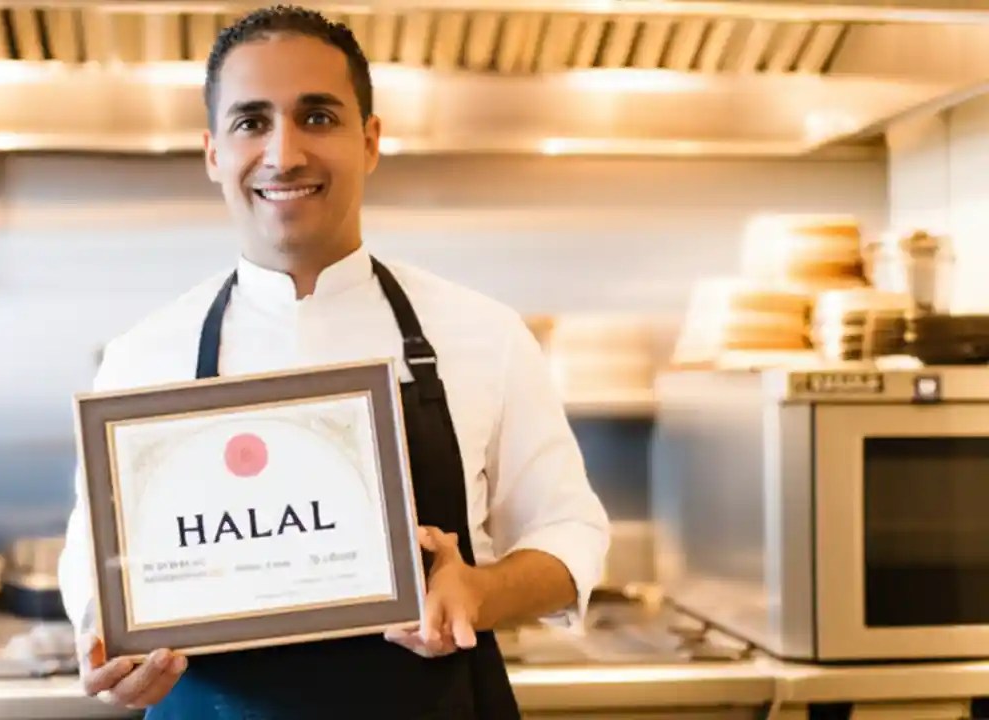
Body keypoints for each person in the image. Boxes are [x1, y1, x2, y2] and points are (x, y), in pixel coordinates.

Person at [57, 5, 611, 718]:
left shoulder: (481, 333)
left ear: (371, 140)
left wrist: (481, 590)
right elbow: (94, 570)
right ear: (212, 152)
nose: (284, 154)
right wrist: (104, 637)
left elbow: (570, 532)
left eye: (317, 117)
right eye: (251, 122)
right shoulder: (141, 358)